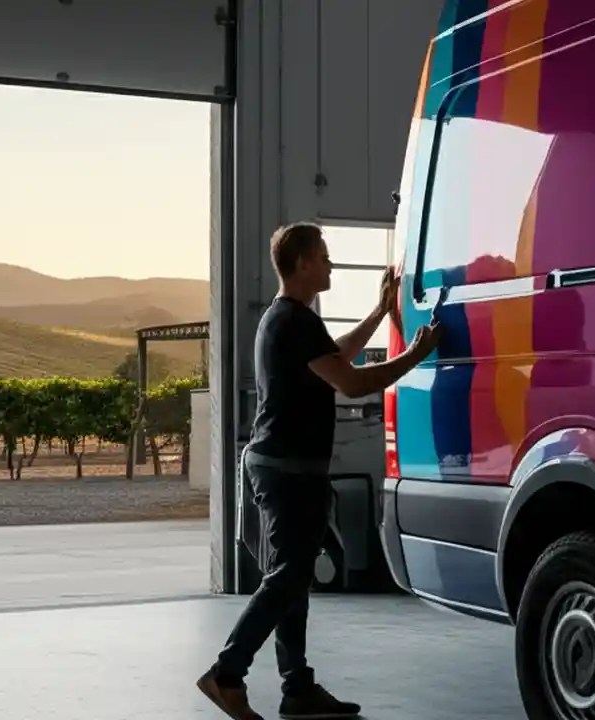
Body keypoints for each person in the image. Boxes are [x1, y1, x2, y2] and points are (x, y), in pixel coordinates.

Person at [196, 221, 444, 720]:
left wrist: (380, 311)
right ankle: (227, 673)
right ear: (304, 263)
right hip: (286, 470)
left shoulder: (289, 318)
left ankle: (297, 689)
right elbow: (351, 383)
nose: (330, 265)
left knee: (294, 577)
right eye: (325, 257)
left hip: (288, 468)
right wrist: (416, 356)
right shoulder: (293, 321)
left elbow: (337, 357)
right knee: (289, 575)